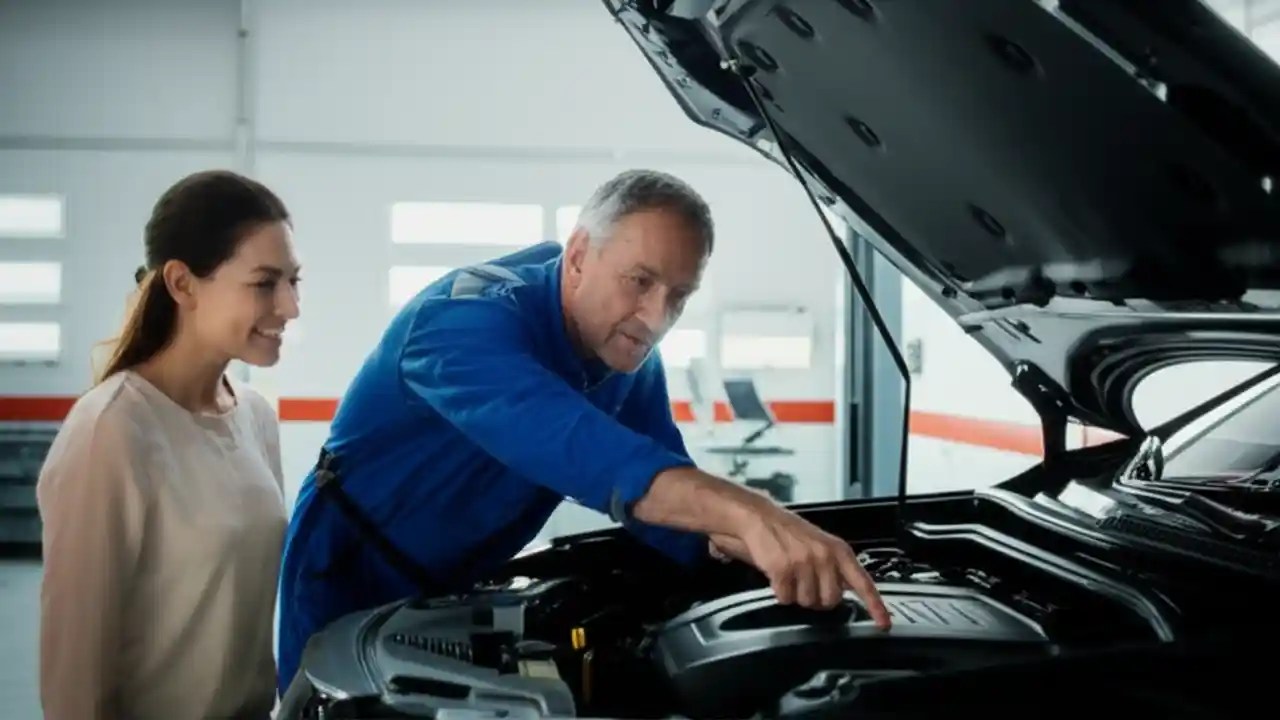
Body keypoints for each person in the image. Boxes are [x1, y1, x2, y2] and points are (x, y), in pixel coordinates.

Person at [275, 168, 891, 693]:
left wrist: (730, 544)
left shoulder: (628, 356)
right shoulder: (460, 324)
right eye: (640, 281)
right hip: (348, 568)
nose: (656, 319)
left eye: (679, 296)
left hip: (458, 585)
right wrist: (755, 514)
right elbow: (595, 457)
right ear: (576, 257)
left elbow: (662, 486)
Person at [36, 169, 302, 720]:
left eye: (294, 281)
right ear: (182, 284)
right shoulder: (110, 431)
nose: (290, 306)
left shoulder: (253, 417)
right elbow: (74, 686)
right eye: (264, 283)